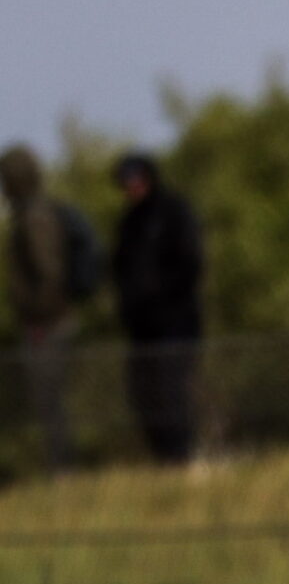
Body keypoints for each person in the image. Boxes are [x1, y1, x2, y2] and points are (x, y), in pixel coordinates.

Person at [2, 143, 96, 471]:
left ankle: (63, 471)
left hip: (48, 326)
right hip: (49, 322)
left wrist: (39, 319)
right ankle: (61, 468)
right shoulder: (33, 213)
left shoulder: (34, 217)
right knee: (48, 403)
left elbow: (49, 273)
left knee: (50, 402)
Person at [108, 154, 203, 465]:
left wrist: (160, 295)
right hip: (141, 328)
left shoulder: (174, 212)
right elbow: (119, 270)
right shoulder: (129, 222)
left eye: (136, 180)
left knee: (171, 391)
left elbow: (191, 264)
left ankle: (179, 458)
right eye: (126, 183)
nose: (132, 188)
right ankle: (163, 459)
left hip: (175, 323)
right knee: (143, 394)